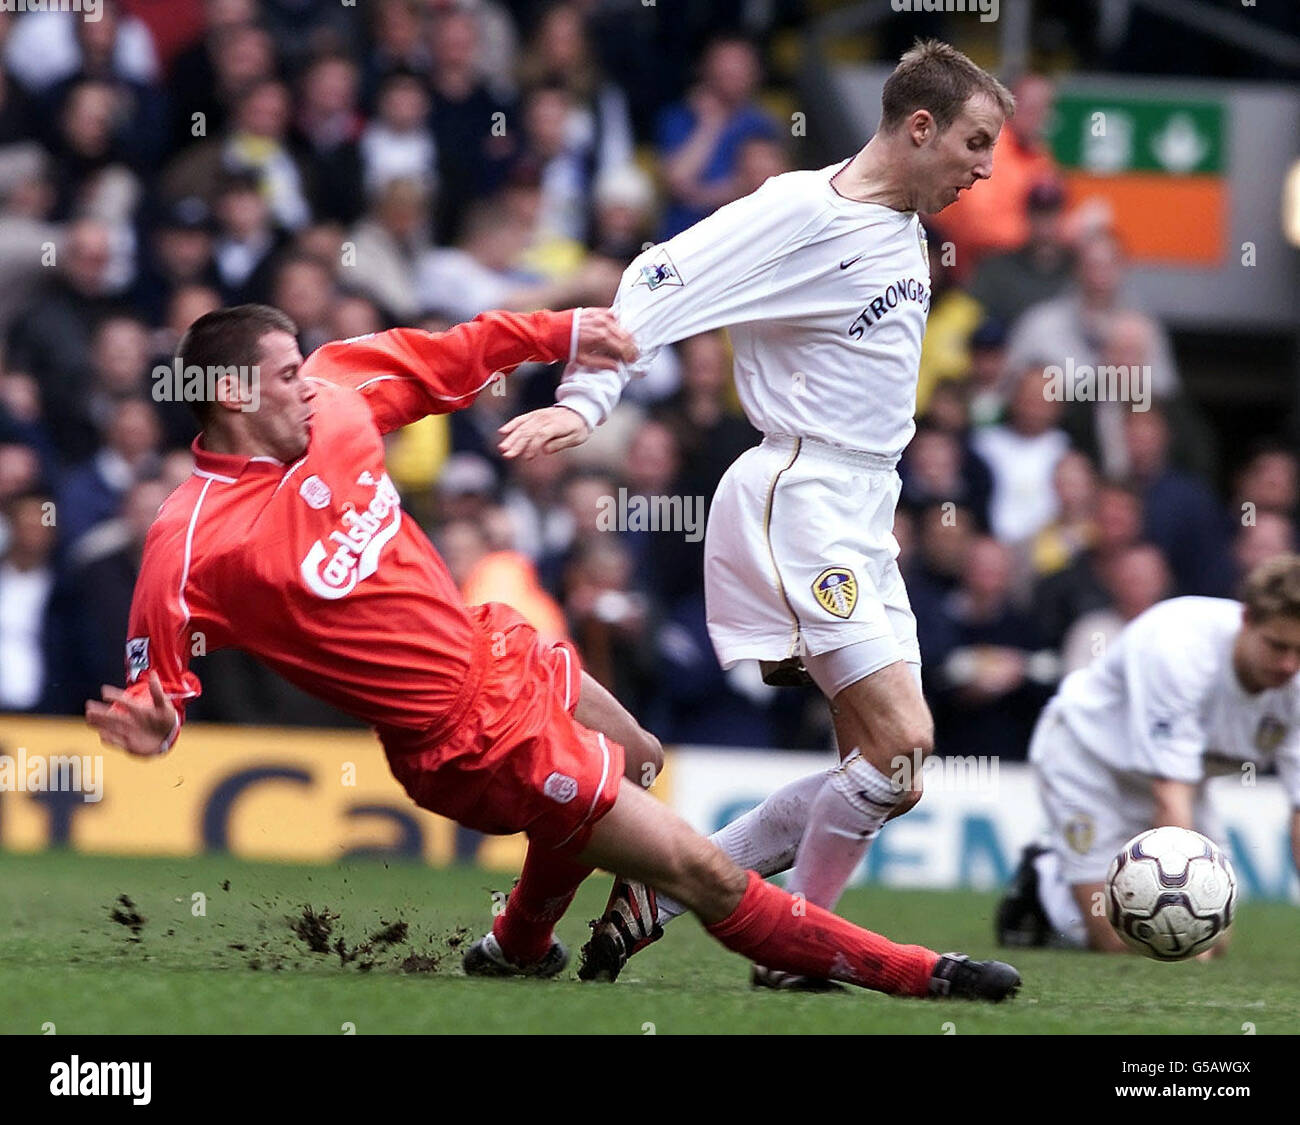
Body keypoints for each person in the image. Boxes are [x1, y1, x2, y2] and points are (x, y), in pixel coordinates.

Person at [84, 302, 1020, 1002]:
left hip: (490, 645)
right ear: (231, 393)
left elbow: (453, 352)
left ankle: (519, 945)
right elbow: (157, 683)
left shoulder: (334, 400)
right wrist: (155, 718)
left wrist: (565, 331)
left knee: (641, 755)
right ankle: (922, 973)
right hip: (467, 743)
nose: (307, 383)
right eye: (287, 373)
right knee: (701, 874)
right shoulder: (192, 540)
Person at [497, 40, 1015, 987]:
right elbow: (659, 278)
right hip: (801, 493)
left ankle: (660, 891)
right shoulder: (799, 212)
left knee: (890, 775)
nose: (985, 169)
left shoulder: (903, 223)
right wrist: (589, 399)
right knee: (903, 741)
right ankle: (798, 949)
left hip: (866, 504)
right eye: (976, 143)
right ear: (920, 126)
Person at [996, 555, 1300, 954]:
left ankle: (1064, 875)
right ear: (1246, 620)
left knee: (1215, 941)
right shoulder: (1178, 645)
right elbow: (1168, 794)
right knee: (1121, 942)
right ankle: (1045, 883)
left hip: (1184, 779)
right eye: (1277, 646)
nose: (1288, 665)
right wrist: (1185, 932)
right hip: (1086, 758)